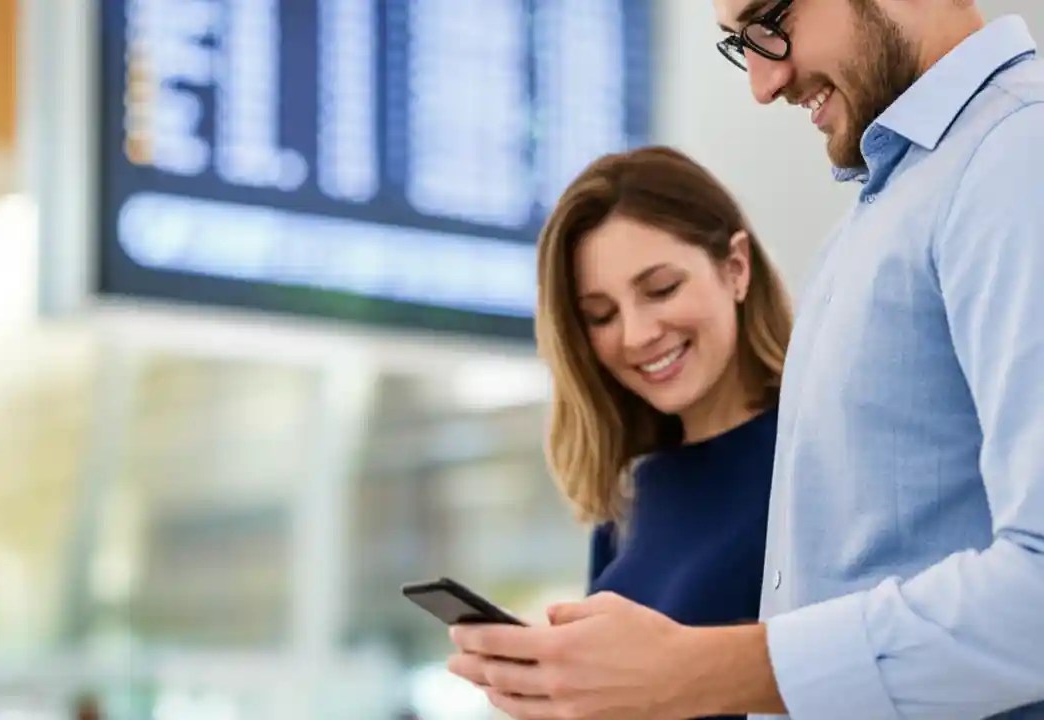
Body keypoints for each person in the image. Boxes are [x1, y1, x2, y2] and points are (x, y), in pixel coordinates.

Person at [446, 3, 1044, 719]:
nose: (764, 82)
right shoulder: (885, 212)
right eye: (744, 45)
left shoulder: (1016, 156)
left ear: (733, 269)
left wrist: (694, 672)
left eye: (770, 19)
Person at [540, 147, 790, 656]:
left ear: (736, 268)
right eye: (601, 315)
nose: (635, 336)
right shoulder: (628, 500)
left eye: (660, 289)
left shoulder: (814, 456)